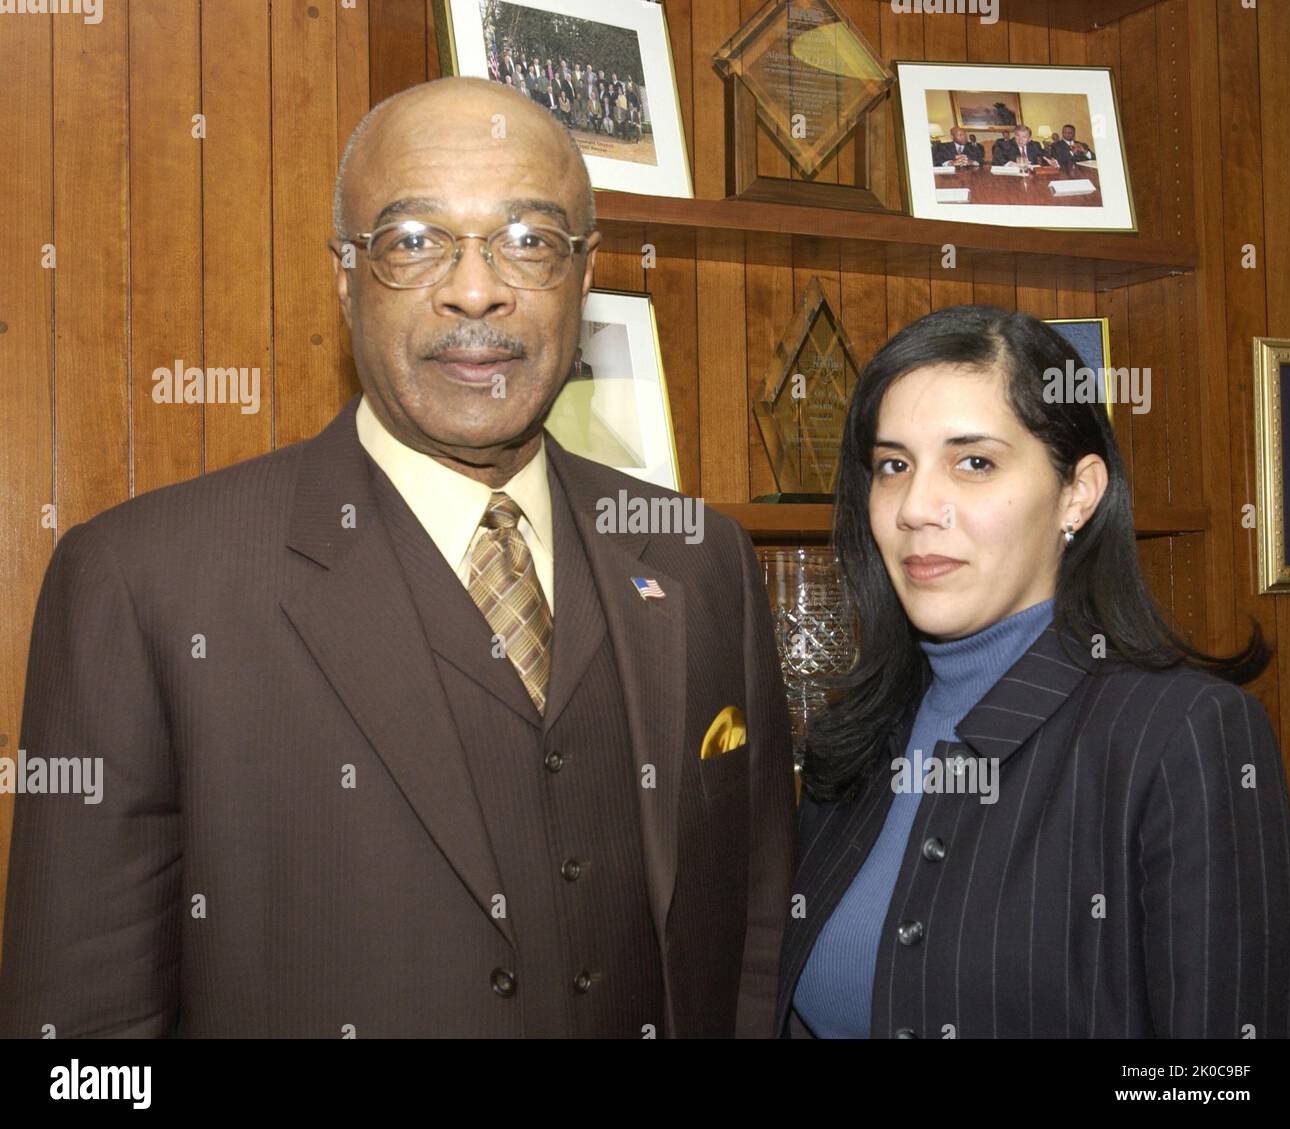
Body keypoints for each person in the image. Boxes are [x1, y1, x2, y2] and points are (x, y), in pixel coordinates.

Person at [0, 76, 795, 1039]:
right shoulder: (144, 581)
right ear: (344, 275)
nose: (475, 287)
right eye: (413, 242)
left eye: (530, 240)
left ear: (585, 277)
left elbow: (753, 926)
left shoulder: (701, 558)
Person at [777, 305, 1290, 1038]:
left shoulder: (1184, 733)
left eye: (975, 462)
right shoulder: (856, 737)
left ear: (1078, 492)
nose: (917, 507)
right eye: (893, 465)